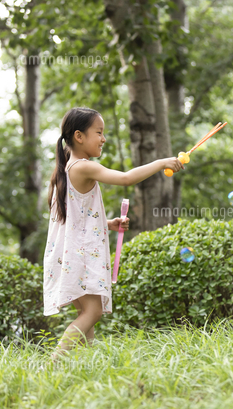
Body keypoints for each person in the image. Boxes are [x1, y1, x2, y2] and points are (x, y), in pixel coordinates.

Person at [43, 107, 183, 361]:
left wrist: (107, 224)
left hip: (71, 254)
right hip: (80, 256)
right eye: (99, 132)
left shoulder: (66, 169)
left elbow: (74, 220)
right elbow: (126, 178)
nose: (103, 139)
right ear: (79, 136)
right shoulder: (83, 167)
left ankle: (87, 368)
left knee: (88, 317)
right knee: (93, 312)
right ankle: (53, 363)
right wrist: (162, 162)